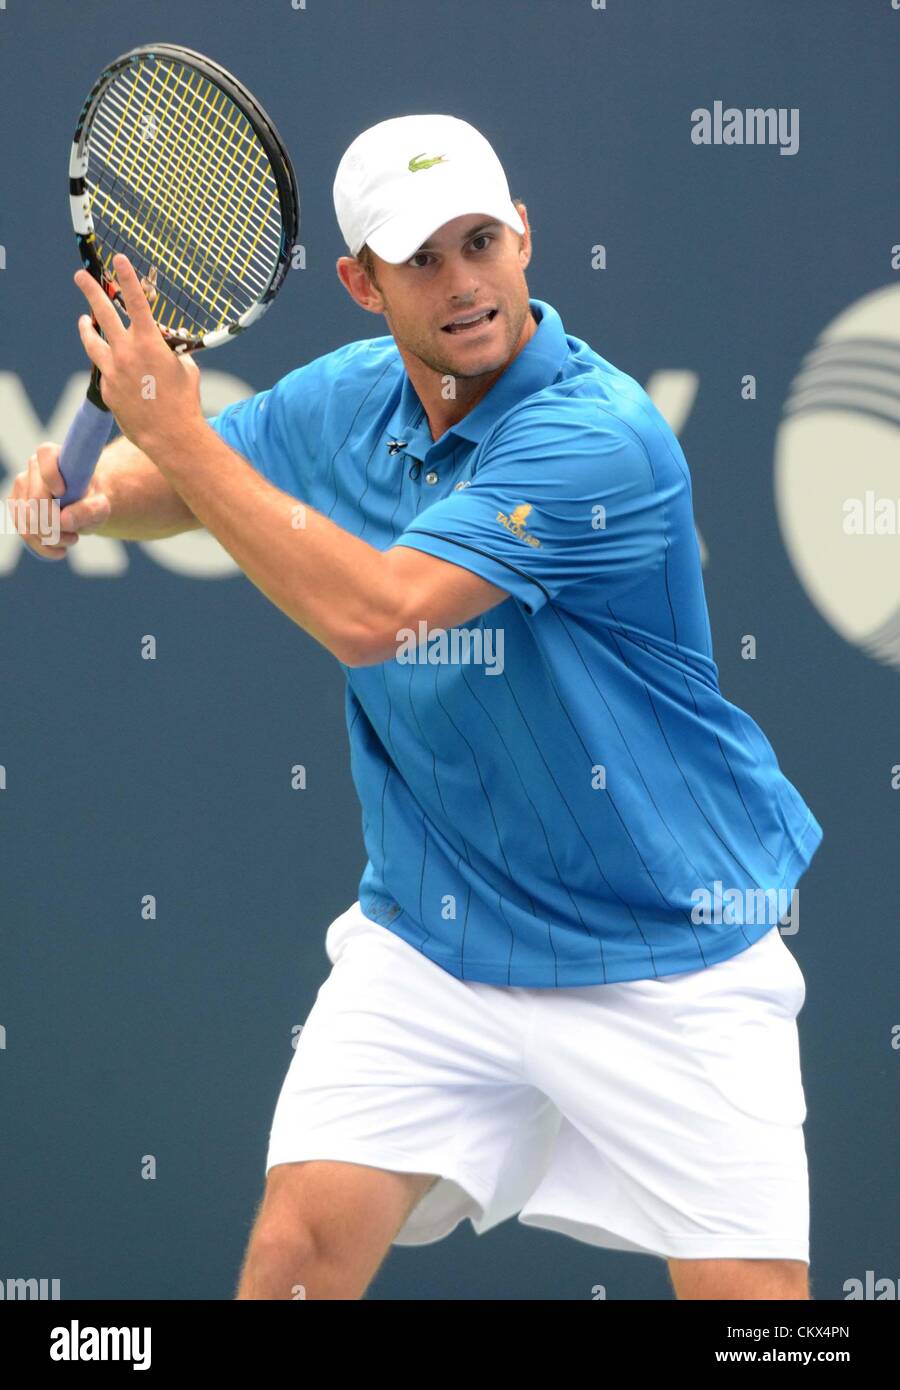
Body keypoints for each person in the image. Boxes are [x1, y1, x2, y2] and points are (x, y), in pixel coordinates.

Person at [13, 114, 823, 1300]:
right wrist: (89, 500)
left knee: (755, 1317)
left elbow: (379, 614)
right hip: (437, 935)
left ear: (526, 236)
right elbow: (187, 485)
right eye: (424, 259)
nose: (465, 284)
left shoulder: (598, 438)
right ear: (361, 283)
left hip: (670, 946)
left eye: (482, 240)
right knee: (295, 1253)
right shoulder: (350, 398)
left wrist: (176, 432)